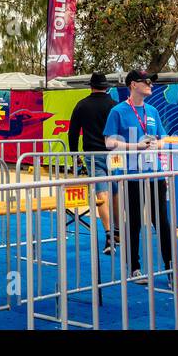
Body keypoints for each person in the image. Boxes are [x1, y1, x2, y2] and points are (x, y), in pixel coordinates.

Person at [103, 69, 172, 281]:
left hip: (155, 175)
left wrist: (155, 144)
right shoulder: (118, 111)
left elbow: (163, 138)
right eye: (146, 81)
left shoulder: (153, 111)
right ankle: (134, 267)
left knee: (161, 221)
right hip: (132, 177)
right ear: (133, 84)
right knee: (133, 222)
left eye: (151, 81)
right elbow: (109, 142)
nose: (150, 84)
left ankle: (170, 269)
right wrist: (136, 146)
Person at [67, 72, 119, 253]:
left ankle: (109, 233)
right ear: (106, 86)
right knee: (115, 192)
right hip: (114, 154)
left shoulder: (81, 105)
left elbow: (72, 133)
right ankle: (118, 230)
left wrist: (75, 157)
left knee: (101, 195)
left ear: (91, 86)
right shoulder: (114, 105)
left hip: (92, 154)